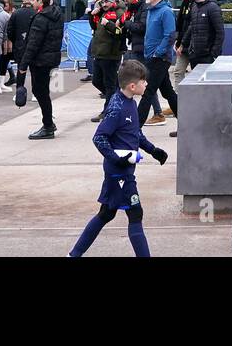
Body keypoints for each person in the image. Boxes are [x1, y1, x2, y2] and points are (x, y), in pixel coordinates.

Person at [68, 58, 168, 257]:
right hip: (119, 172)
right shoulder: (117, 108)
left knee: (106, 213)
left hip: (122, 170)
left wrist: (152, 149)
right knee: (135, 213)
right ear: (133, 86)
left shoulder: (130, 103)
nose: (146, 84)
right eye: (143, 81)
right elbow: (99, 138)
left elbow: (134, 133)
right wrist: (116, 158)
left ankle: (73, 255)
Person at [19, 0, 65, 140]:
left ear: (41, 1)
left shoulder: (41, 18)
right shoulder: (55, 14)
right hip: (49, 59)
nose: (30, 3)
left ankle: (48, 126)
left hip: (40, 61)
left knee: (40, 92)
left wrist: (23, 64)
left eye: (33, 0)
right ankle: (48, 123)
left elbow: (33, 44)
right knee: (42, 92)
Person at [136, 0, 178, 128]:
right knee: (168, 92)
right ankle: (187, 124)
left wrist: (157, 53)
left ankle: (134, 127)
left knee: (147, 91)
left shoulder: (166, 12)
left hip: (160, 58)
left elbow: (170, 35)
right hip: (152, 57)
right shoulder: (150, 11)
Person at [89, 0, 127, 117]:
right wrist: (92, 15)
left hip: (111, 54)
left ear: (113, 2)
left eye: (106, 2)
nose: (104, 4)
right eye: (102, 2)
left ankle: (108, 110)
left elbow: (120, 33)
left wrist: (108, 24)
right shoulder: (102, 13)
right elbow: (94, 28)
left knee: (109, 84)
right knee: (96, 81)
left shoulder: (119, 13)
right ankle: (118, 99)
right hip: (100, 53)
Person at [8, 0, 37, 97]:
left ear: (23, 0)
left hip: (20, 45)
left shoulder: (16, 13)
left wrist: (15, 40)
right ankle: (35, 93)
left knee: (21, 70)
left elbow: (10, 30)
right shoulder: (36, 13)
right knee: (35, 71)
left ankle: (19, 93)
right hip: (34, 46)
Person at [171, 0, 196, 90]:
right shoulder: (185, 3)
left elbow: (191, 26)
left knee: (197, 74)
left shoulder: (196, 4)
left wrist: (182, 43)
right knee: (178, 72)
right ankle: (178, 100)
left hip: (194, 46)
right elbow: (181, 25)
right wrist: (178, 41)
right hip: (183, 46)